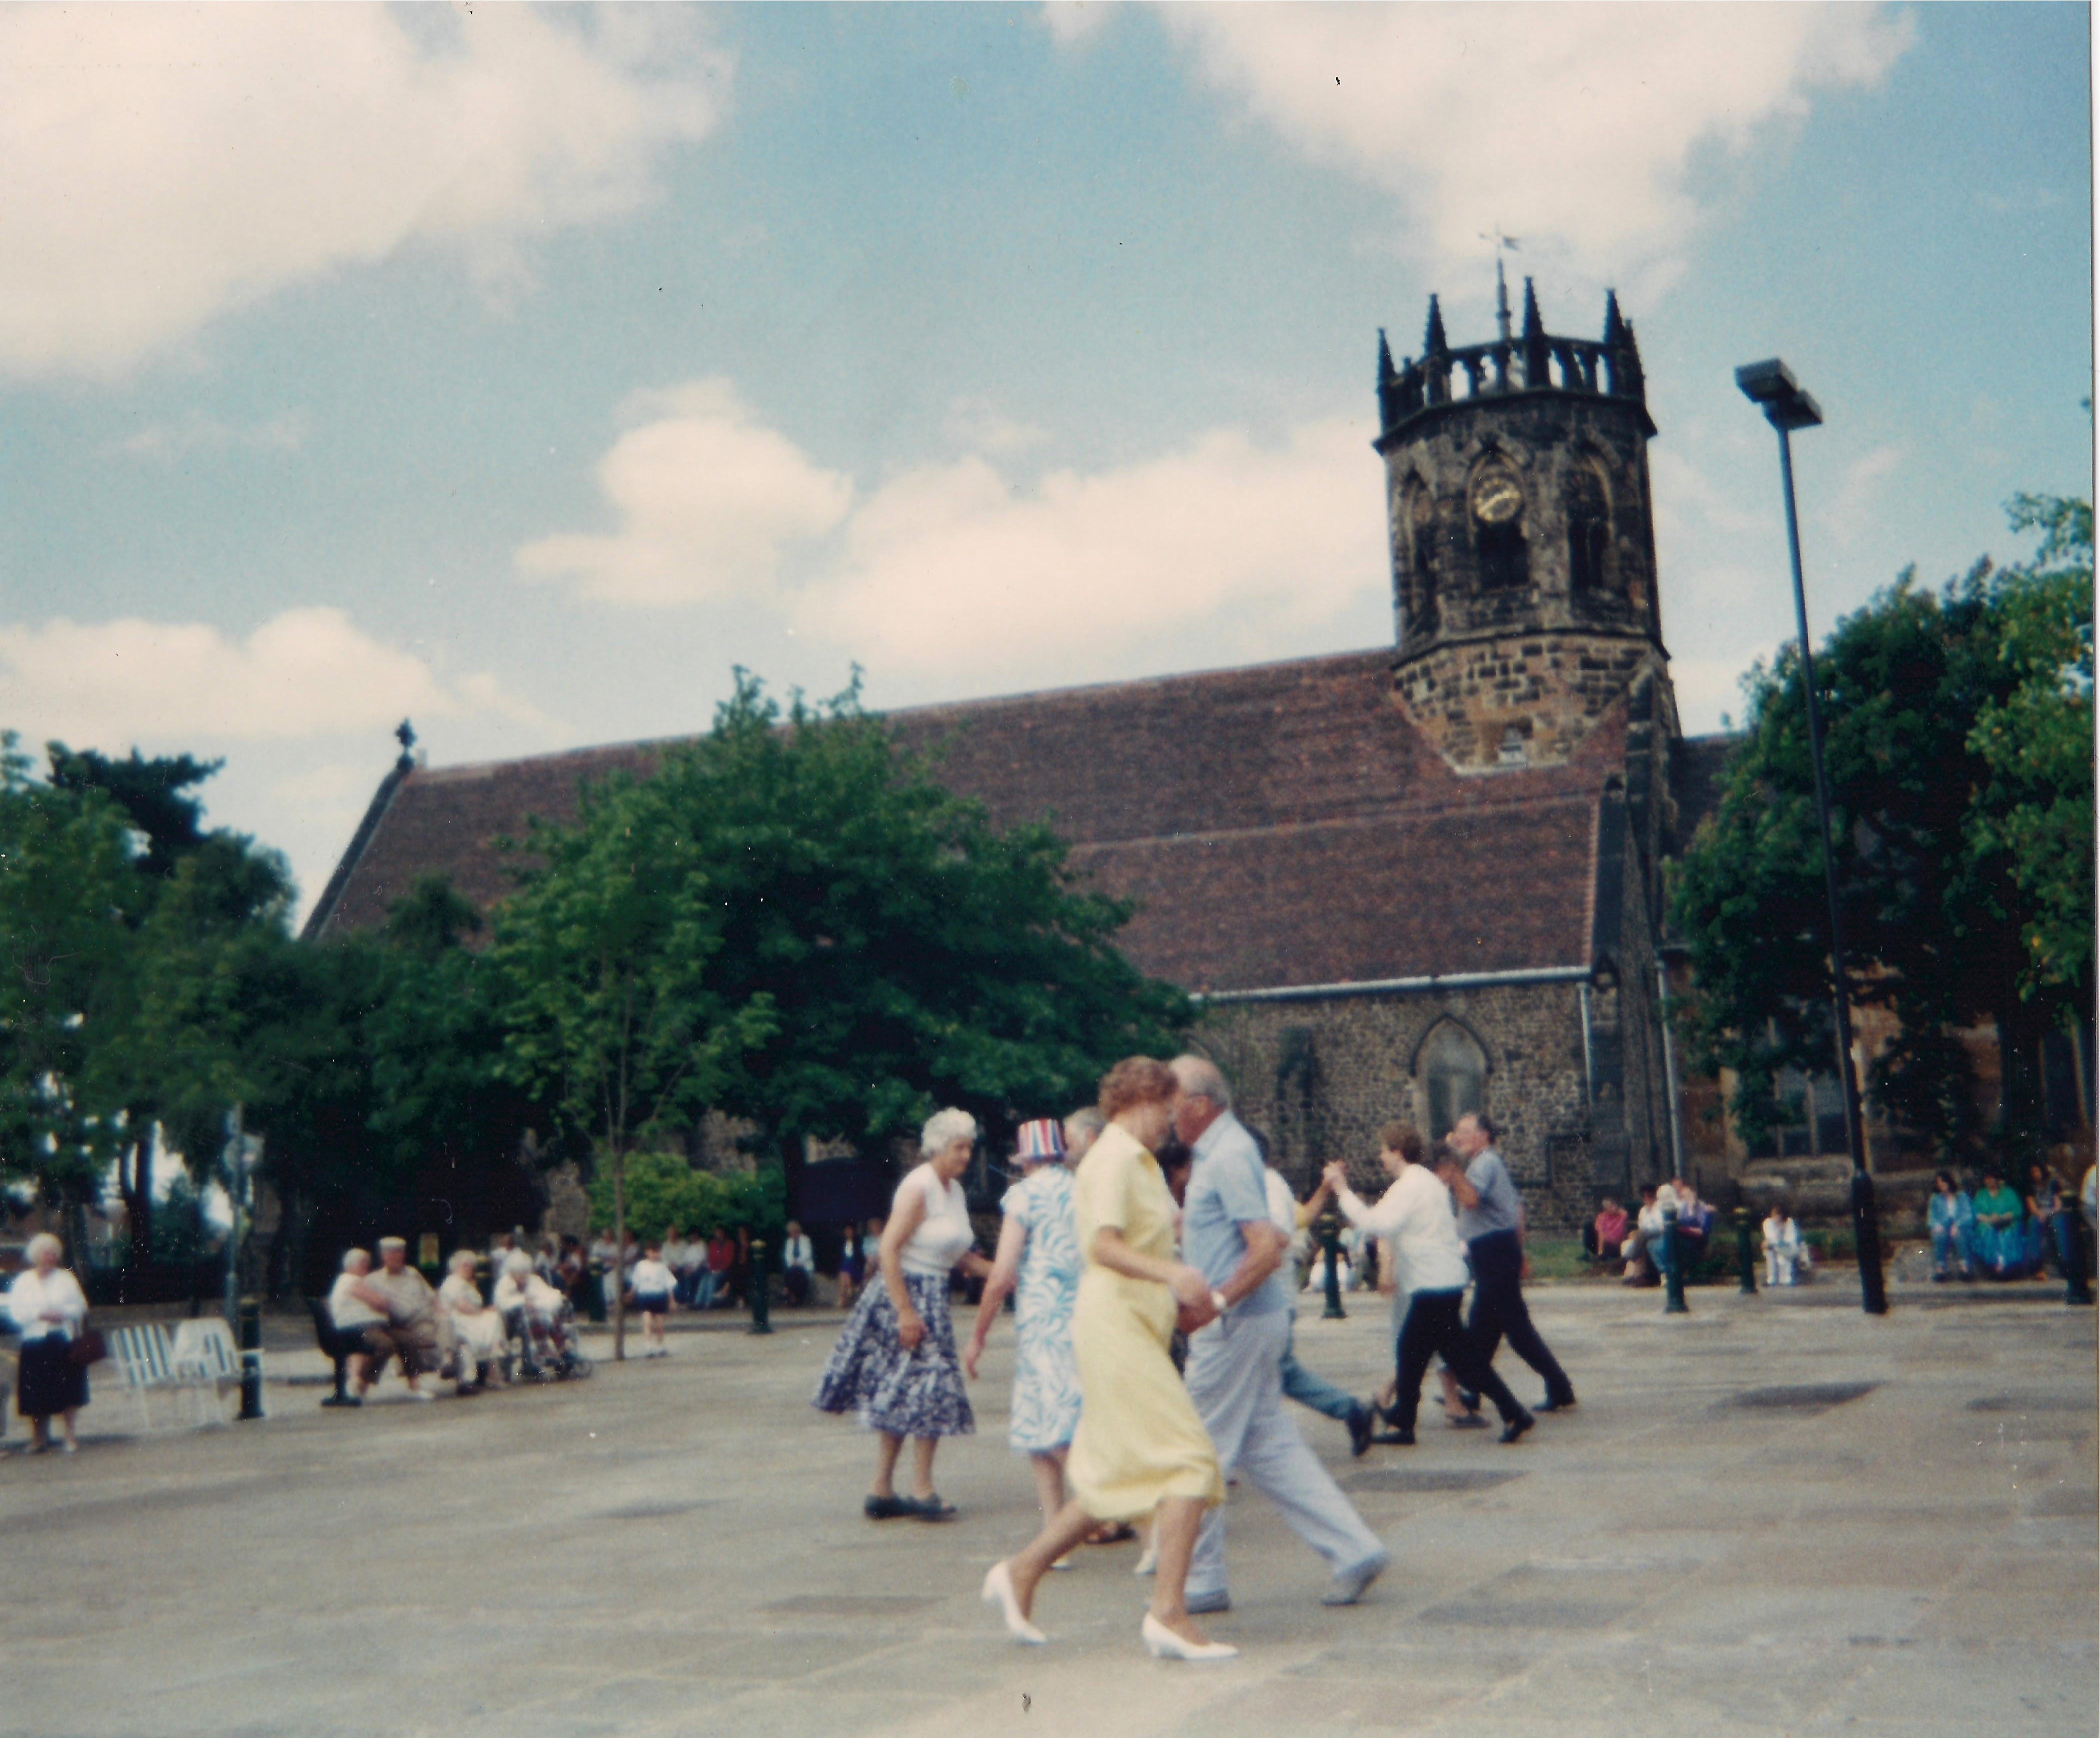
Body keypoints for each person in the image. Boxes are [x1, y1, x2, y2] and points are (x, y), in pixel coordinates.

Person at [980, 1056, 1234, 1661]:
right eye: (1167, 1110)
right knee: (1190, 1462)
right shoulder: (1113, 1158)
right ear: (1143, 1100)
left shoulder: (1134, 1160)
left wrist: (1183, 1299)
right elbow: (1102, 1245)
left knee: (1115, 1472)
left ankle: (1020, 1572)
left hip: (1132, 1325)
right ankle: (1168, 1614)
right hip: (1115, 1327)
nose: (1171, 1123)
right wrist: (1174, 1273)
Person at [1169, 1055, 1390, 1616]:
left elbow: (1265, 1247)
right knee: (1268, 1445)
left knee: (1197, 1449)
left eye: (1171, 1100)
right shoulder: (1223, 1151)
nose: (1166, 1114)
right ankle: (1354, 1549)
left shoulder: (1225, 1154)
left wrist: (1214, 1303)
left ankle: (1199, 1580)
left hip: (1234, 1323)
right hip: (1250, 1320)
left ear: (1198, 1104)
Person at [814, 1108, 991, 1520]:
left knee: (902, 1392)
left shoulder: (954, 1191)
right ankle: (921, 1489)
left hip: (931, 1293)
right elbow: (888, 1248)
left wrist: (1001, 1272)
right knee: (931, 1390)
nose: (965, 1156)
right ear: (937, 1148)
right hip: (905, 1295)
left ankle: (881, 1490)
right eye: (958, 1148)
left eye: (969, 1148)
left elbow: (957, 1255)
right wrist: (905, 1312)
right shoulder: (919, 1186)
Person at [1321, 1130, 1534, 1446]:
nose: (1380, 1157)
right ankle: (1405, 1420)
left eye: (1384, 1150)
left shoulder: (1409, 1186)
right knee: (1420, 1353)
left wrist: (1341, 1189)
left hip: (1433, 1284)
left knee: (1441, 1356)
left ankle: (1510, 1412)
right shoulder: (1424, 1182)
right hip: (1442, 1281)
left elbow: (1375, 1223)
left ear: (1397, 1151)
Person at [965, 1117, 1084, 1541]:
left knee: (1050, 1429)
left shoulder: (1024, 1196)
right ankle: (1055, 1534)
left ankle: (1113, 1506)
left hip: (1043, 1322)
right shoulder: (1081, 1189)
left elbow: (1000, 1275)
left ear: (1027, 1159)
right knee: (1046, 1425)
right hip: (1083, 1317)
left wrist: (978, 1335)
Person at [1439, 1113, 1576, 1413]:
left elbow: (1471, 1199)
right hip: (1494, 1252)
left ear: (1484, 1136)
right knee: (1482, 1328)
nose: (1458, 1137)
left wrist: (1451, 1166)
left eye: (1464, 1132)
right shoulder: (1483, 1164)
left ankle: (1559, 1386)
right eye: (1457, 1132)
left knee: (1516, 1332)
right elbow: (1517, 1210)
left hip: (1495, 1253)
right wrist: (1520, 1250)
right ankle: (1474, 1388)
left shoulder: (1486, 1163)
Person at [1259, 1147, 1377, 1456]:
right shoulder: (1273, 1186)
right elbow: (1305, 1216)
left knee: (1259, 1375)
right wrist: (1325, 1189)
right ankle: (1349, 1409)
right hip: (1274, 1299)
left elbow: (1278, 1237)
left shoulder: (1265, 1186)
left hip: (1269, 1298)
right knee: (1280, 1373)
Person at [7, 1232, 89, 1453]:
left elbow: (80, 1306)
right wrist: (38, 1314)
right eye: (46, 1253)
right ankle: (39, 1439)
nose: (51, 1257)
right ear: (36, 1255)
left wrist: (62, 1314)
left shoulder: (66, 1279)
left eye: (54, 1253)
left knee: (69, 1390)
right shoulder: (24, 1281)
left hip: (62, 1339)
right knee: (36, 1392)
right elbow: (15, 1312)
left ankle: (70, 1436)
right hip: (35, 1340)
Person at [356, 1236, 446, 1399]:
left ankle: (418, 1383)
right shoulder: (374, 1280)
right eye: (392, 1254)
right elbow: (365, 1302)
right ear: (383, 1257)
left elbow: (432, 1296)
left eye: (400, 1253)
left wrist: (440, 1308)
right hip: (400, 1323)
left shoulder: (413, 1273)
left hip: (428, 1317)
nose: (397, 1257)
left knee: (447, 1322)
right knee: (399, 1341)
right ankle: (363, 1383)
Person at [439, 1249, 507, 1390]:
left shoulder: (467, 1283)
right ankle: (495, 1353)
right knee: (492, 1318)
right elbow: (462, 1306)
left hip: (471, 1319)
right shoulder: (454, 1282)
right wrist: (483, 1311)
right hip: (460, 1320)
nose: (469, 1268)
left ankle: (493, 1365)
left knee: (494, 1317)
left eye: (471, 1266)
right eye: (465, 1265)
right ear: (456, 1267)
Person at [1971, 1171, 2030, 1279]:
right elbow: (1975, 1213)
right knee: (1989, 1233)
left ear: (1997, 1179)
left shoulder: (2009, 1192)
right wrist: (1989, 1219)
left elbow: (2018, 1210)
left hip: (2007, 1222)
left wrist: (2002, 1217)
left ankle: (2006, 1266)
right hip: (1987, 1223)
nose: (1989, 1181)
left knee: (2007, 1234)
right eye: (1987, 1179)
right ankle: (1995, 1265)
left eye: (1992, 1178)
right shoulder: (1981, 1194)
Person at [626, 1242, 677, 1356]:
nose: (654, 1254)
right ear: (647, 1252)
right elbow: (636, 1282)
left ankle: (660, 1345)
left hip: (659, 1296)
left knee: (659, 1324)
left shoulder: (662, 1267)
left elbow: (669, 1285)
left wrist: (672, 1300)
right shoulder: (641, 1266)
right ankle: (648, 1346)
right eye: (652, 1251)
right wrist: (631, 1294)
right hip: (645, 1296)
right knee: (647, 1321)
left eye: (657, 1252)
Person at [1926, 1173, 1974, 1283]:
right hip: (1944, 1226)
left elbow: (1968, 1215)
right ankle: (1940, 1269)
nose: (1942, 1186)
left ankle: (1965, 1269)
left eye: (1944, 1183)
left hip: (1960, 1226)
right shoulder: (1935, 1199)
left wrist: (1958, 1225)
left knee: (1959, 1236)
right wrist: (1936, 1225)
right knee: (1938, 1237)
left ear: (1949, 1182)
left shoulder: (1962, 1197)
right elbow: (1931, 1217)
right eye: (1939, 1184)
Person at [1621, 1185, 1663, 1286]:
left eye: (1649, 1196)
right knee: (1631, 1240)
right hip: (1644, 1235)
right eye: (1644, 1197)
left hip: (1658, 1232)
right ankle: (1635, 1275)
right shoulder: (1643, 1211)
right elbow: (1641, 1226)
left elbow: (1660, 1226)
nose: (1647, 1199)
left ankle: (1631, 1255)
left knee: (1642, 1236)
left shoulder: (1659, 1209)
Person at [1762, 1203, 1804, 1288]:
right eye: (1775, 1215)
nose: (1777, 1218)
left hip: (1788, 1248)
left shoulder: (1790, 1223)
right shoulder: (1768, 1223)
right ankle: (1771, 1280)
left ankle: (1786, 1279)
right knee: (1770, 1254)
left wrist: (1782, 1243)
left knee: (1784, 1258)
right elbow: (1771, 1238)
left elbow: (1792, 1239)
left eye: (1778, 1215)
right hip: (1774, 1247)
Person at [1585, 1198, 1630, 1271]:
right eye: (1611, 1207)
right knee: (1589, 1228)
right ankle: (1601, 1256)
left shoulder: (1621, 1216)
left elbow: (1624, 1213)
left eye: (1614, 1205)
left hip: (1618, 1244)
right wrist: (1600, 1252)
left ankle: (1606, 1257)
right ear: (1606, 1209)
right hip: (1606, 1243)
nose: (1614, 1208)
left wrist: (1617, 1210)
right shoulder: (1602, 1217)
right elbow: (1601, 1234)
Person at [781, 1221, 815, 1307]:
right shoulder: (789, 1242)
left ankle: (789, 1292)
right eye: (791, 1232)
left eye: (794, 1231)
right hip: (793, 1266)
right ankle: (794, 1296)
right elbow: (787, 1256)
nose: (793, 1234)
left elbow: (807, 1255)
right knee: (793, 1272)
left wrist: (798, 1262)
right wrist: (793, 1263)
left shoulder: (805, 1240)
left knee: (797, 1273)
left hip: (804, 1266)